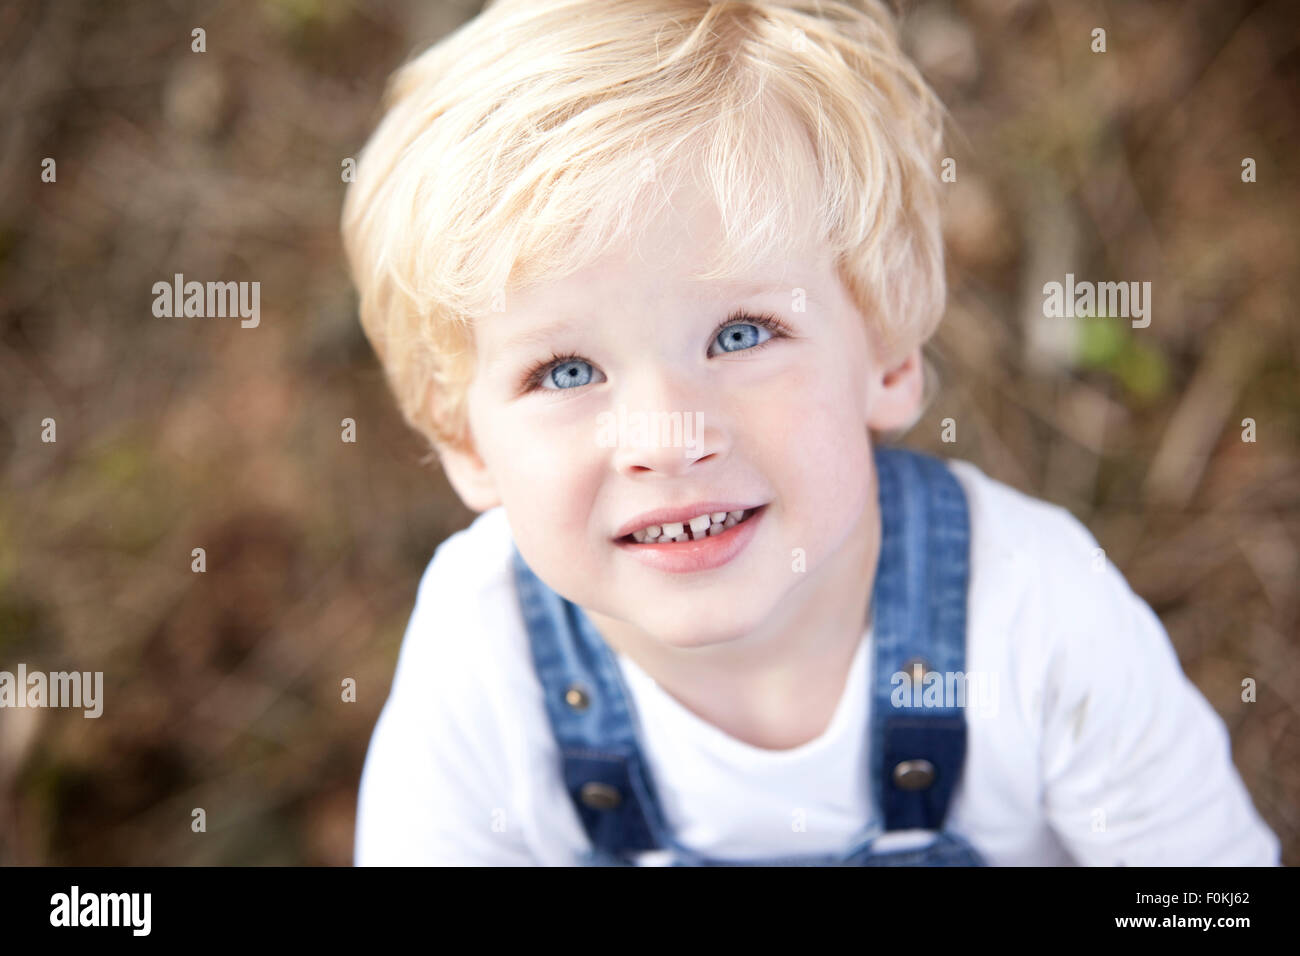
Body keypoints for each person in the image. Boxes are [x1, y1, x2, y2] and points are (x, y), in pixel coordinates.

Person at [340, 0, 1281, 865]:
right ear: (463, 441)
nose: (669, 438)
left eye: (741, 335)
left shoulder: (1036, 609)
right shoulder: (483, 653)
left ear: (886, 354)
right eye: (567, 372)